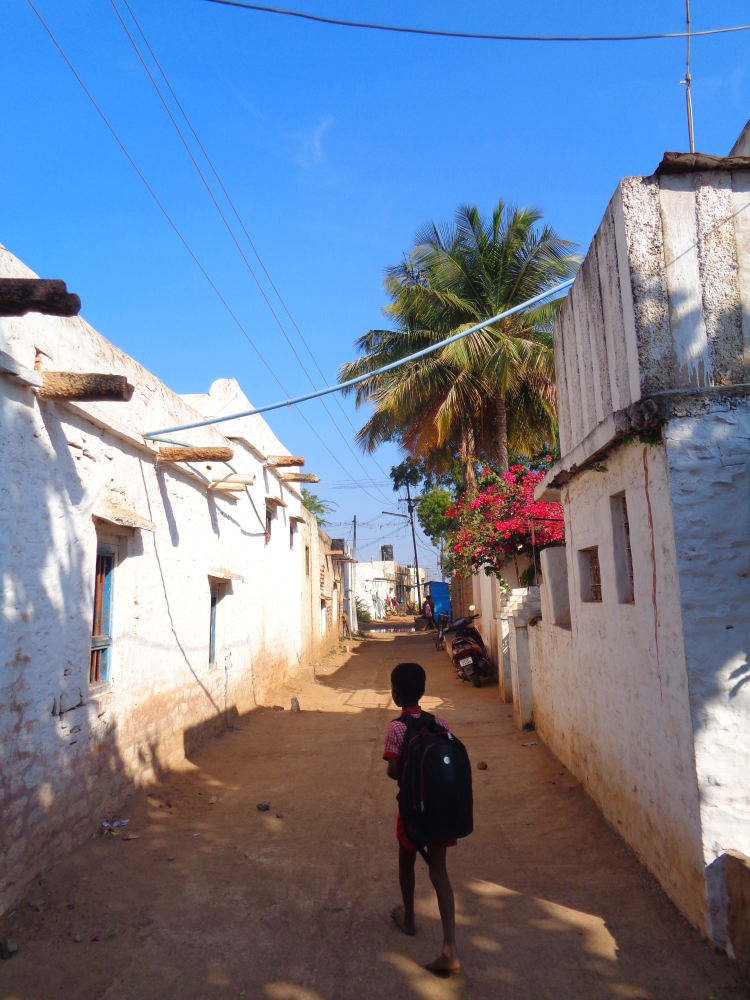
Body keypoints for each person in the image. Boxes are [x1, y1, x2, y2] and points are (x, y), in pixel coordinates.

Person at [383, 662, 460, 976]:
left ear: (395, 694)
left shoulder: (397, 728)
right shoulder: (438, 721)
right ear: (423, 691)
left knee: (406, 859)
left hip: (414, 809)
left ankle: (410, 918)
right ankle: (450, 949)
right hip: (441, 809)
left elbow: (393, 771)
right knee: (439, 871)